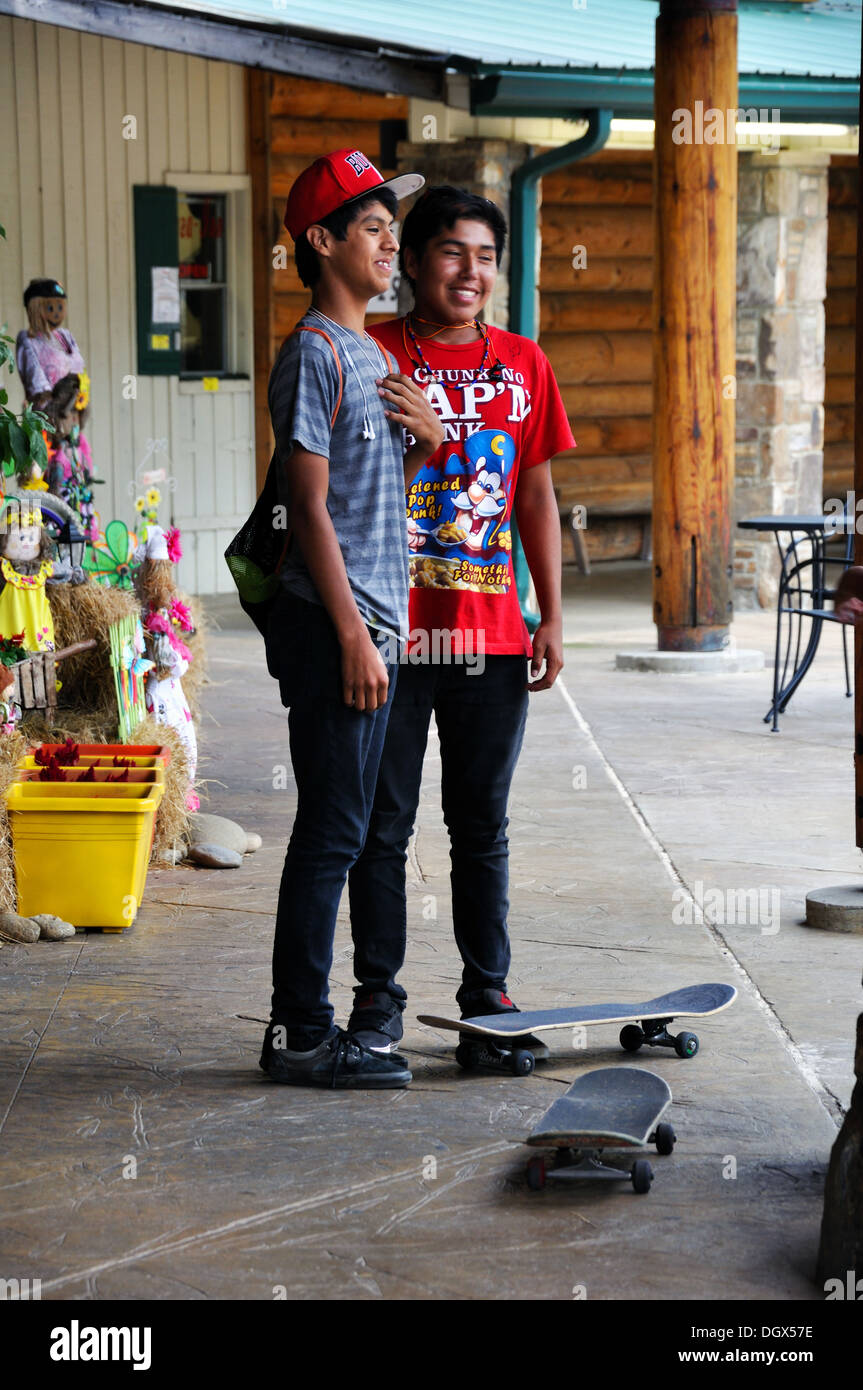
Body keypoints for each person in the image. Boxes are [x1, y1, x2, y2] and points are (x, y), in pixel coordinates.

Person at [347, 185, 575, 1053]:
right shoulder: (367, 355)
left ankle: (487, 995)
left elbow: (533, 494)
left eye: (484, 255)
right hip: (391, 639)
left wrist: (550, 615)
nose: (469, 270)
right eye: (451, 251)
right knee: (381, 823)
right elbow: (335, 491)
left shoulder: (524, 364)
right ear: (410, 261)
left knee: (481, 827)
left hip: (490, 636)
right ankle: (377, 1000)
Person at [257, 150, 443, 1089]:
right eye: (370, 227)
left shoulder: (370, 354)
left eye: (391, 228)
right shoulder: (314, 354)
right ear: (321, 241)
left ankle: (326, 1023)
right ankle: (299, 1032)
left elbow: (368, 501)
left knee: (358, 826)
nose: (389, 242)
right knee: (331, 831)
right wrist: (351, 636)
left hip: (375, 622)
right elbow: (308, 508)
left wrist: (423, 447)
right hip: (341, 631)